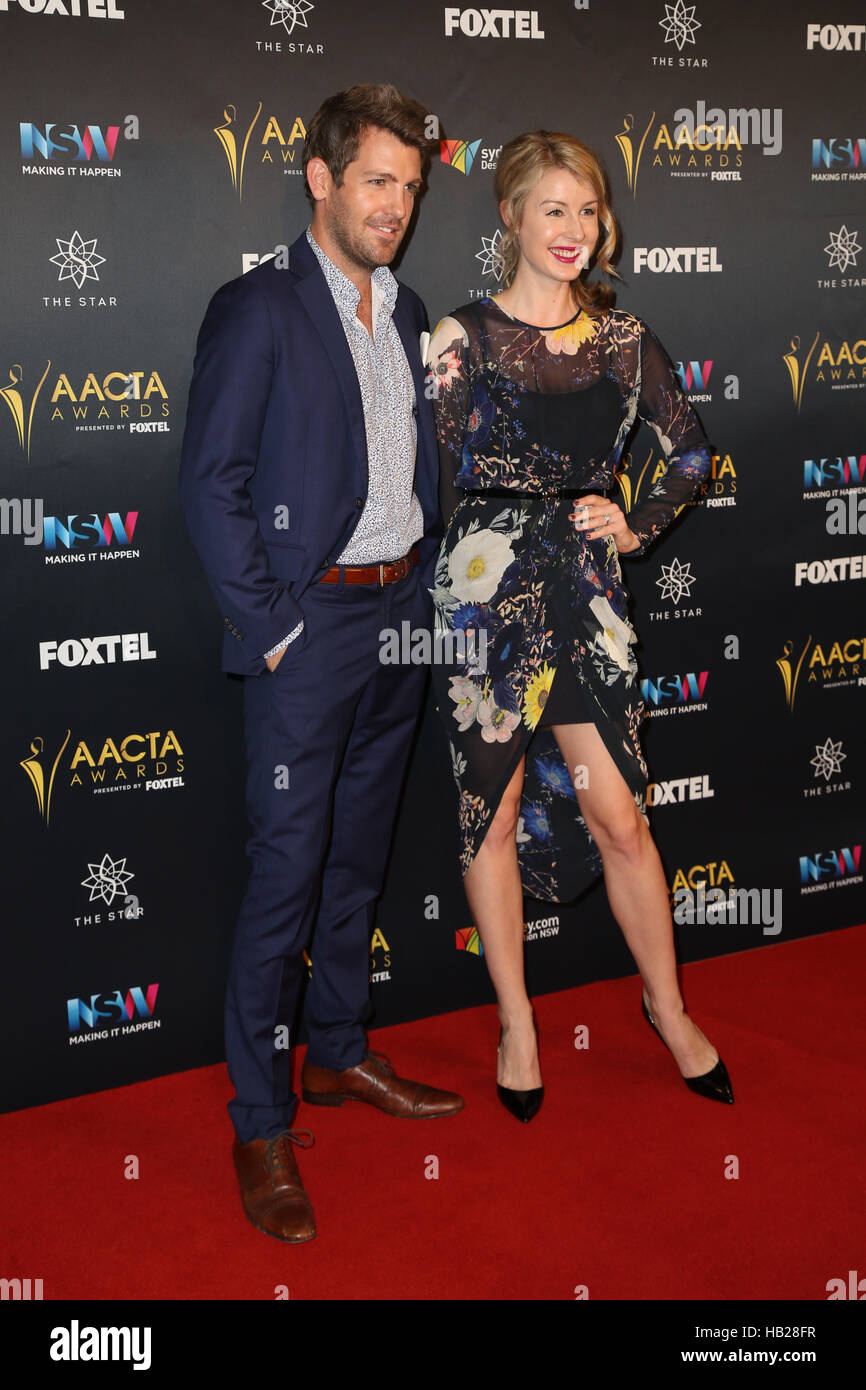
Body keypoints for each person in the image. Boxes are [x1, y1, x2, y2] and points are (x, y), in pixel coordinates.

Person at [179, 84, 463, 1245]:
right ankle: (259, 1118)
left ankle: (337, 1056)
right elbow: (211, 487)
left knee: (357, 862)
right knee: (286, 876)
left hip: (401, 614)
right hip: (312, 632)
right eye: (375, 182)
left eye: (409, 184)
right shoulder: (257, 307)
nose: (394, 205)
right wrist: (278, 627)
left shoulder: (410, 311)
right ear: (320, 178)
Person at [424, 130, 734, 1122]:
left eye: (587, 210)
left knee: (620, 820)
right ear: (508, 216)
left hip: (588, 602)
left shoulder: (621, 339)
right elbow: (428, 483)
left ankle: (666, 1005)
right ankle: (517, 1022)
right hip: (484, 603)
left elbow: (688, 453)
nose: (571, 229)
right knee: (496, 816)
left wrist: (630, 522)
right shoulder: (457, 339)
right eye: (550, 208)